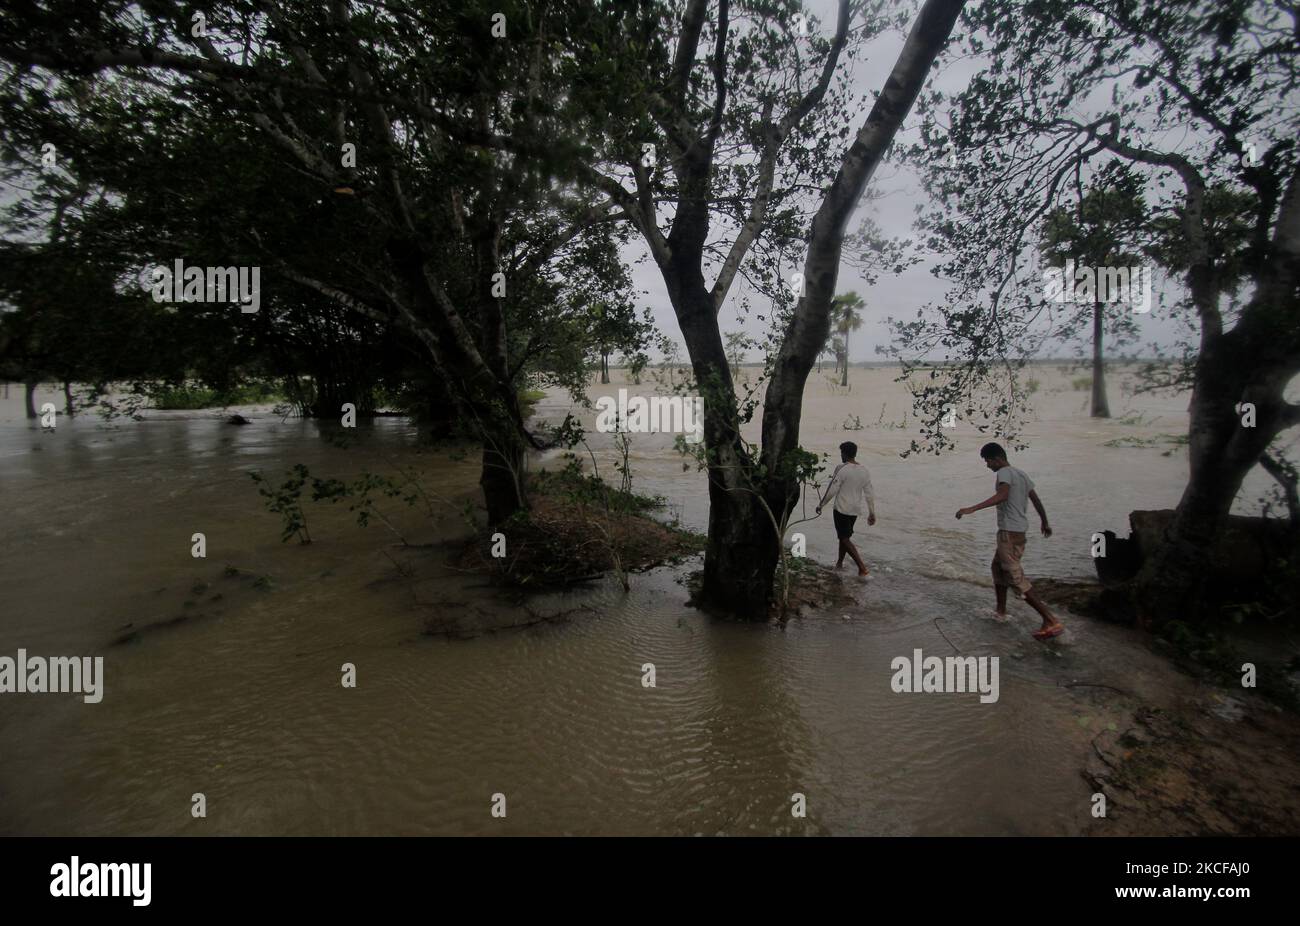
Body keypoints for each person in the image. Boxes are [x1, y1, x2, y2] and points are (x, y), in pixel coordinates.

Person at [955, 442, 1064, 640]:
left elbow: (1002, 495)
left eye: (988, 461)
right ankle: (1001, 612)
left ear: (998, 458)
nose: (987, 465)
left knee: (1015, 577)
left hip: (1008, 532)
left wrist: (972, 508)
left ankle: (1050, 619)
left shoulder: (1004, 473)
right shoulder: (1021, 474)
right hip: (1019, 531)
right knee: (997, 569)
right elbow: (1035, 499)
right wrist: (1044, 522)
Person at [816, 441, 876, 577]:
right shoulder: (864, 471)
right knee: (845, 537)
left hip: (841, 508)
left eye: (841, 453)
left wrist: (821, 504)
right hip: (855, 510)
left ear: (844, 454)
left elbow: (832, 489)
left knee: (844, 538)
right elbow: (869, 493)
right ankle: (839, 564)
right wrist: (872, 513)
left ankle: (862, 568)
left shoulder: (841, 468)